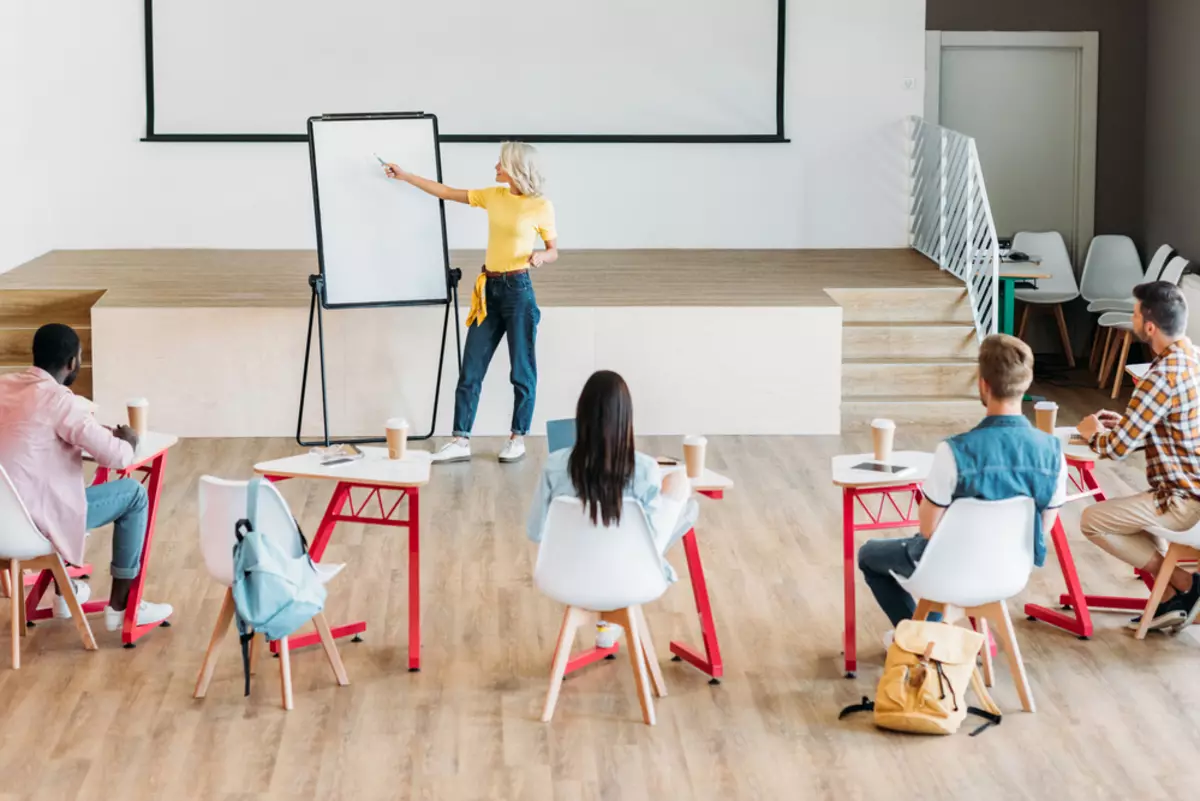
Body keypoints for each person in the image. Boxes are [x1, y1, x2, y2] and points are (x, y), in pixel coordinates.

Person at [857, 334, 1066, 634]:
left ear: (983, 384)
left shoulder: (954, 452)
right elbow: (1044, 527)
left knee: (869, 555)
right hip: (1010, 574)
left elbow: (929, 530)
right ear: (1026, 383)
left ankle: (925, 635)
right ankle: (932, 636)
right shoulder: (1054, 452)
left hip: (948, 571)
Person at [383, 142, 558, 465]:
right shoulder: (494, 196)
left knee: (522, 371)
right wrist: (406, 176)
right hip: (488, 290)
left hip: (519, 291)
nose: (496, 166)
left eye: (501, 162)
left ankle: (517, 437)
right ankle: (461, 439)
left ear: (515, 167)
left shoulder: (540, 206)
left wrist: (540, 257)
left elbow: (553, 249)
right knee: (470, 370)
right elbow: (447, 192)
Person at [0, 324, 172, 630]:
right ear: (72, 363)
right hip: (36, 525)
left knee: (53, 483)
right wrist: (129, 439)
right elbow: (118, 457)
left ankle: (65, 595)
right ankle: (121, 607)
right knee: (132, 494)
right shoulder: (59, 400)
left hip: (5, 523)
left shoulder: (4, 386)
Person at [527, 370, 697, 645]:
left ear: (581, 415)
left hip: (568, 579)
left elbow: (536, 532)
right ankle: (609, 621)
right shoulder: (644, 469)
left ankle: (607, 622)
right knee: (686, 505)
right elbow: (651, 538)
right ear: (626, 419)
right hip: (628, 580)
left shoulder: (555, 465)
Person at [1077, 281, 1200, 631]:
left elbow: (1116, 449)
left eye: (1134, 312)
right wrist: (1131, 424)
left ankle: (1183, 583)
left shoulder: (1159, 376)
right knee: (1129, 519)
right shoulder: (1191, 358)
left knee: (1092, 520)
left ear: (1149, 326)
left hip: (1179, 501)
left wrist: (1092, 433)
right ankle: (1168, 598)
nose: (1131, 317)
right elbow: (1174, 429)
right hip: (1193, 486)